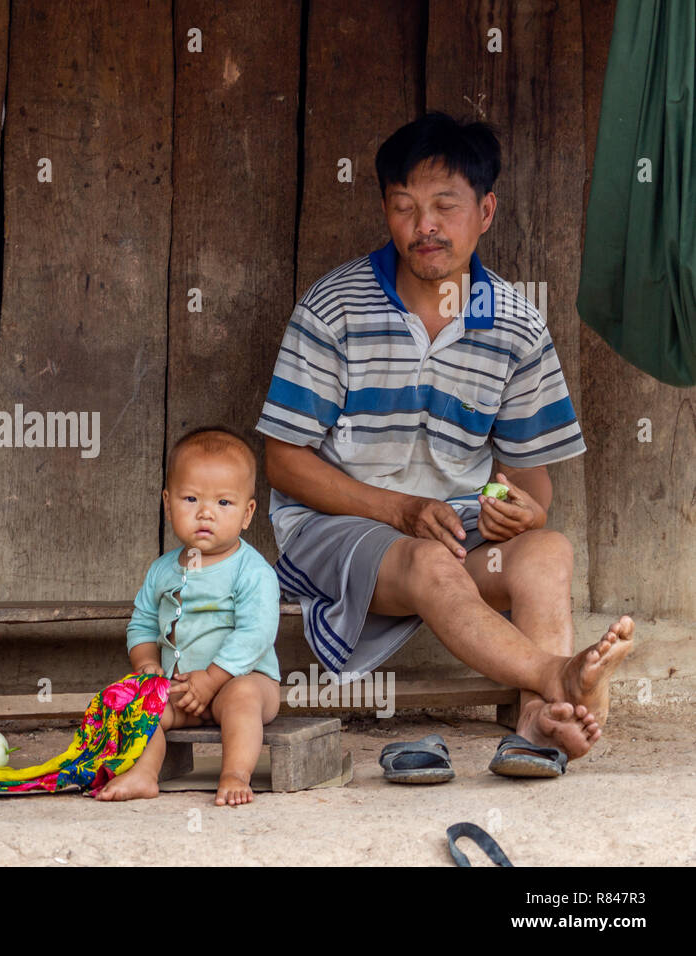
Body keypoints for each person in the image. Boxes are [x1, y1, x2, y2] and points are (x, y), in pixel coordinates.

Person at [257, 112, 634, 772]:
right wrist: (398, 510)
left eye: (444, 206)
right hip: (335, 527)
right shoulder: (334, 308)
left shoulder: (514, 324)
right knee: (428, 563)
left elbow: (529, 481)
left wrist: (520, 509)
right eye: (404, 207)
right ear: (385, 209)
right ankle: (558, 677)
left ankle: (536, 728)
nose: (423, 226)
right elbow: (284, 462)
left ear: (485, 211)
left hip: (459, 531)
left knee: (547, 551)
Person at [96, 427, 281, 805]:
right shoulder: (162, 570)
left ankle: (234, 773)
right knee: (141, 706)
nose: (206, 513)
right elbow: (143, 622)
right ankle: (145, 774)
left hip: (243, 682)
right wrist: (147, 664)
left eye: (224, 503)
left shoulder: (252, 570)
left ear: (247, 513)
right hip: (182, 691)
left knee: (242, 697)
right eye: (191, 498)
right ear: (168, 504)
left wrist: (213, 680)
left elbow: (256, 633)